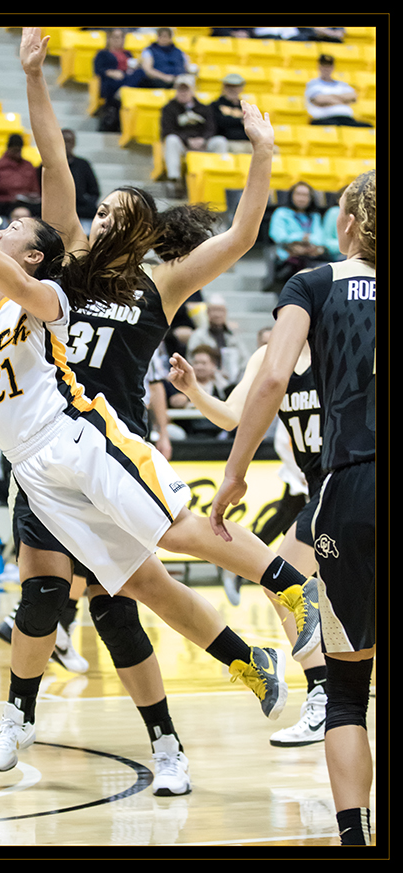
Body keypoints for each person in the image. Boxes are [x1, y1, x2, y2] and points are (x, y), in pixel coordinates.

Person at [0, 82, 319, 789]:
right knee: (68, 592)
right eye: (98, 209)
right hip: (36, 458)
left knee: (142, 575)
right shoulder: (62, 262)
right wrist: (33, 78)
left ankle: (271, 612)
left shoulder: (148, 283)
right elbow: (49, 164)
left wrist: (261, 156)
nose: (100, 217)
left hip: (99, 434)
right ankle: (32, 715)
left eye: (115, 212)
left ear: (141, 230)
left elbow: (240, 237)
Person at [209, 170, 376, 846]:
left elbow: (273, 376)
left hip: (353, 485)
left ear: (346, 222)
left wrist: (235, 474)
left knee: (348, 692)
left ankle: (355, 837)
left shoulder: (313, 283)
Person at [169, 338, 329, 748]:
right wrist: (194, 391)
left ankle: (326, 694)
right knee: (287, 584)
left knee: (291, 584)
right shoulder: (269, 355)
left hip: (353, 478)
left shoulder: (347, 338)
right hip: (321, 489)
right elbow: (230, 417)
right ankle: (326, 695)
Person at [160, 74, 218, 198]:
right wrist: (187, 140)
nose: (183, 93)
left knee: (220, 141)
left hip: (202, 144)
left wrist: (203, 140)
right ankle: (174, 180)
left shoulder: (204, 108)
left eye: (186, 89)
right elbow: (167, 131)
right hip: (182, 144)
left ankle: (218, 176)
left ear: (193, 91)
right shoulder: (169, 108)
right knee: (171, 140)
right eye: (180, 89)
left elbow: (211, 128)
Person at [165, 343, 233, 440]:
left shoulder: (223, 387)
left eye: (203, 363)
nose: (199, 367)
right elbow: (174, 401)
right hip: (187, 432)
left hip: (217, 432)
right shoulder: (181, 383)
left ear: (213, 365)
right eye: (196, 363)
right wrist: (184, 398)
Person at [268, 182, 328, 286]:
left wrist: (306, 244)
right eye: (298, 194)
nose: (301, 198)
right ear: (291, 196)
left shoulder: (314, 216)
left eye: (305, 195)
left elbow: (320, 238)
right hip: (287, 256)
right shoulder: (281, 213)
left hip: (311, 255)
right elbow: (278, 236)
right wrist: (302, 237)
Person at [186, 293, 250, 385]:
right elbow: (191, 360)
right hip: (208, 381)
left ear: (226, 312)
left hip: (234, 380)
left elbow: (245, 359)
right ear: (207, 312)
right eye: (214, 310)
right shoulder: (198, 335)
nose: (217, 314)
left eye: (221, 310)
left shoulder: (233, 335)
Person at [93, 28, 145, 132]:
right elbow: (98, 70)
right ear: (109, 38)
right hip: (111, 82)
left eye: (120, 37)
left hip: (126, 78)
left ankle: (123, 91)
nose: (117, 40)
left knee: (140, 72)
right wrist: (111, 72)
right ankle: (122, 91)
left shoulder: (128, 54)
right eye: (115, 37)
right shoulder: (103, 53)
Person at [305, 54, 373, 127]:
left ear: (333, 67)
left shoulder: (342, 84)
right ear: (319, 67)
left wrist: (330, 98)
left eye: (329, 66)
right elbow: (320, 99)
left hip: (346, 118)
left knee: (368, 126)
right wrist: (343, 100)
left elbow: (353, 96)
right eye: (324, 66)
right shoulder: (313, 84)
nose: (326, 69)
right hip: (324, 118)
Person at [0, 134, 41, 217]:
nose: (17, 154)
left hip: (27, 203)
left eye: (19, 150)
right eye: (14, 150)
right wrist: (11, 198)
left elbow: (35, 190)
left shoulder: (28, 166)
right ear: (9, 148)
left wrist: (30, 197)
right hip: (5, 204)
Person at [61, 129, 101, 221]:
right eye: (64, 141)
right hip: (56, 207)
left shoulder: (83, 164)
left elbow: (94, 191)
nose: (66, 145)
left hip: (81, 207)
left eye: (69, 142)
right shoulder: (47, 166)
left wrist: (86, 201)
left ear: (74, 143)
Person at [209, 73, 253, 155]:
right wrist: (239, 121)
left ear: (241, 88)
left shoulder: (245, 107)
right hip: (228, 141)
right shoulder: (215, 105)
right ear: (224, 87)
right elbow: (219, 122)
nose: (233, 89)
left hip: (246, 141)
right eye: (229, 86)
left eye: (236, 86)